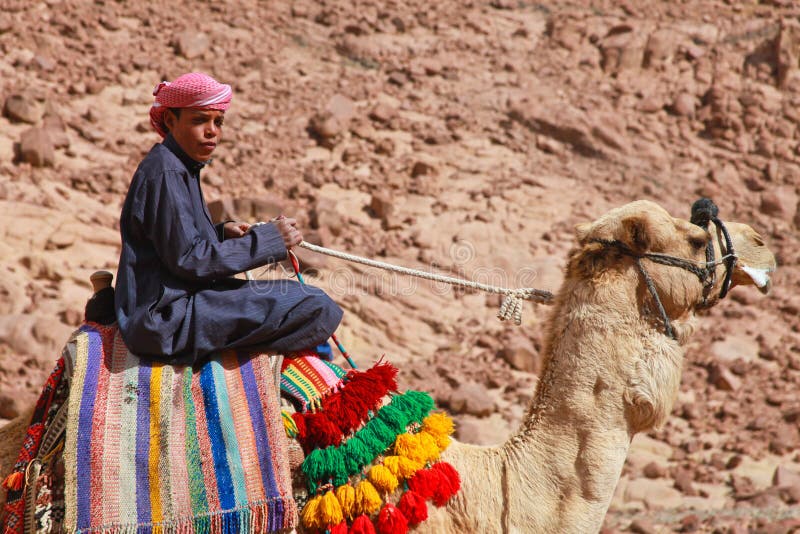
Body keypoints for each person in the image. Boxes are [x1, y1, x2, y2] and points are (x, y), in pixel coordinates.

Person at [114, 72, 343, 365]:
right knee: (314, 305)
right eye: (199, 120)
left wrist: (221, 233)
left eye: (218, 122)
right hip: (166, 317)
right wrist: (270, 240)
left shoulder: (178, 167)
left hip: (178, 302)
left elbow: (174, 244)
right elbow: (191, 260)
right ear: (171, 121)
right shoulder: (167, 172)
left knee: (299, 297)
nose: (212, 131)